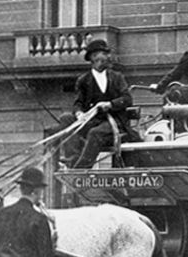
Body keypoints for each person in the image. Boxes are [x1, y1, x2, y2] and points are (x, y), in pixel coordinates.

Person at [58, 39, 137, 168]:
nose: (106, 58)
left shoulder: (117, 77)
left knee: (95, 133)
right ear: (92, 57)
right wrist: (79, 113)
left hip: (114, 122)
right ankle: (72, 159)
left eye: (106, 56)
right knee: (66, 119)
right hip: (93, 120)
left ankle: (81, 169)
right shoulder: (83, 80)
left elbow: (127, 99)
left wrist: (110, 104)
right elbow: (78, 102)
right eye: (102, 55)